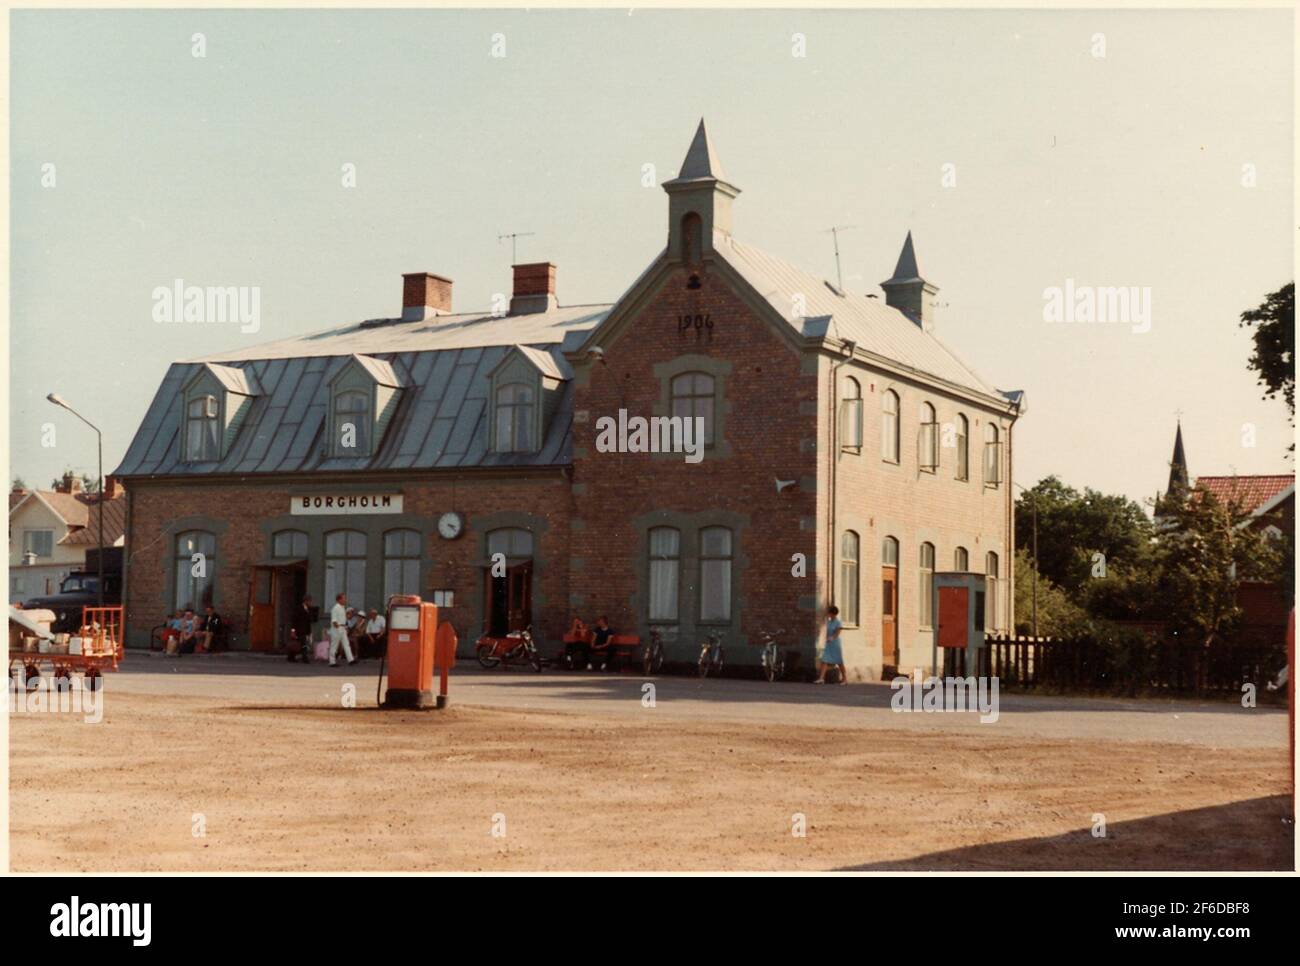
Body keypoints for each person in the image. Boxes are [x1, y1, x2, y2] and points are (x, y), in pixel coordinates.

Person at [815, 606, 846, 685]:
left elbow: (838, 632)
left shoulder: (838, 622)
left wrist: (832, 638)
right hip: (828, 643)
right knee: (825, 660)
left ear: (832, 613)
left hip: (835, 643)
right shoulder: (829, 621)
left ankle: (844, 679)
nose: (827, 614)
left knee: (839, 661)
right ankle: (821, 678)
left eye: (828, 612)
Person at [329, 593, 356, 667]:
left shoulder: (343, 607)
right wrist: (337, 626)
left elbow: (343, 619)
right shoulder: (335, 608)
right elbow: (334, 619)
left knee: (346, 644)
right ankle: (332, 661)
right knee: (334, 645)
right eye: (344, 598)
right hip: (337, 628)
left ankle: (351, 659)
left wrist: (345, 627)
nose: (345, 600)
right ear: (339, 599)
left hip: (342, 628)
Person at [289, 595, 318, 662]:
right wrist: (293, 631)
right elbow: (294, 620)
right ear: (305, 601)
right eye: (309, 601)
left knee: (301, 643)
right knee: (303, 643)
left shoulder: (309, 609)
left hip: (306, 629)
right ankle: (304, 658)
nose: (310, 603)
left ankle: (291, 656)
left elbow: (310, 620)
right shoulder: (299, 608)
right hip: (299, 629)